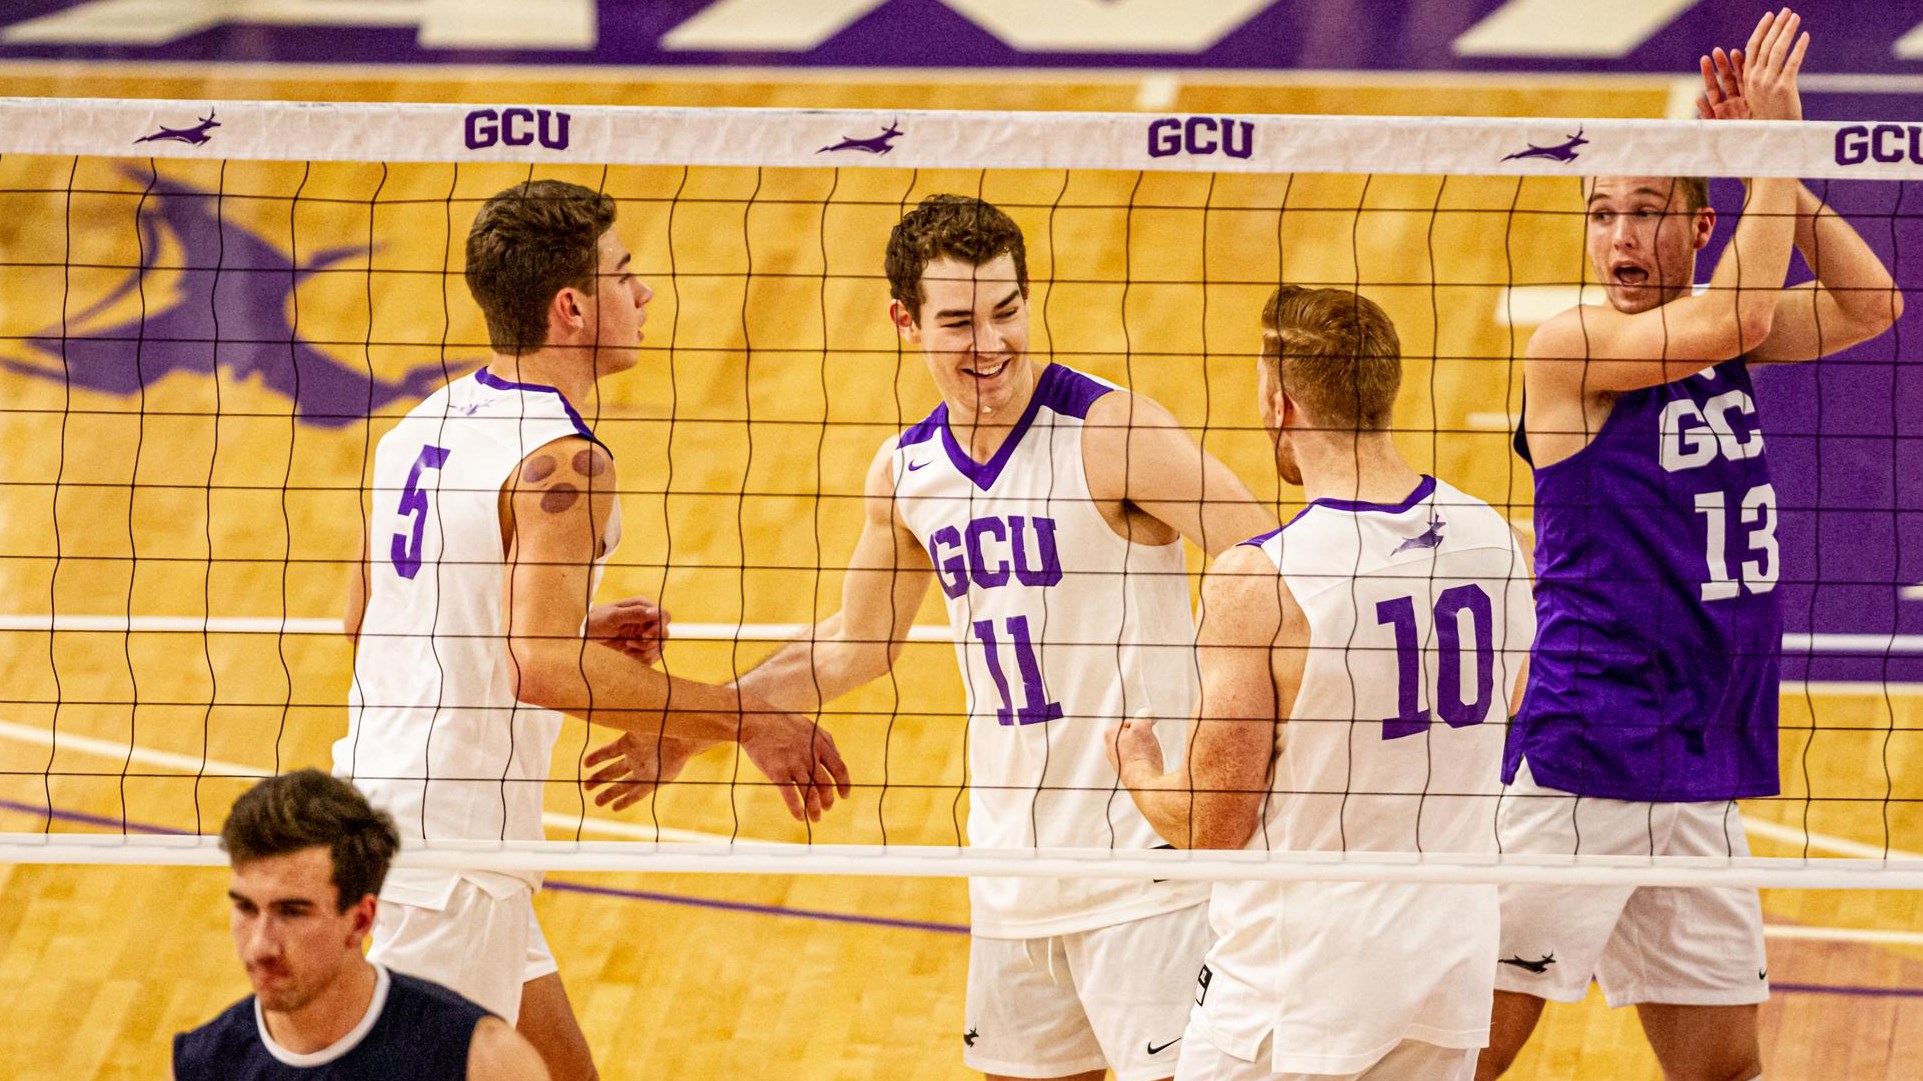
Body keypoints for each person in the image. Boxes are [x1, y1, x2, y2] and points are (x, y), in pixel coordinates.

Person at [588, 193, 1275, 1081]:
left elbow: (1270, 560)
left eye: (1005, 312)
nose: (988, 344)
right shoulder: (907, 472)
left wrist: (1229, 743)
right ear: (904, 322)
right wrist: (695, 724)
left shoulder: (1113, 433)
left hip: (1146, 876)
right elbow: (851, 646)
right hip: (1011, 876)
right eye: (957, 321)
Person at [334, 179, 850, 1081]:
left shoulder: (421, 422)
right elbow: (541, 669)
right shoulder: (564, 459)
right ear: (570, 307)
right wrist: (741, 718)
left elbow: (368, 619)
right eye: (624, 275)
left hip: (394, 815)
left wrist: (567, 620)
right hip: (449, 856)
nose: (644, 294)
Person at [1477, 11, 1902, 1080]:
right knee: (1468, 1054)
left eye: (1649, 213)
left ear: (1701, 224)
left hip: (1701, 758)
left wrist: (1780, 169)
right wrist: (1774, 145)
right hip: (1587, 757)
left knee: (1724, 1069)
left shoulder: (1721, 335)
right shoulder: (1571, 347)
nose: (1621, 238)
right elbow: (1745, 314)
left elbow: (1871, 303)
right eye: (1601, 213)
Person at [1109, 286, 1535, 1081]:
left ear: (1280, 403)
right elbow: (1505, 706)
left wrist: (1135, 767)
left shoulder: (1261, 579)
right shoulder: (1498, 539)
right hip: (1447, 962)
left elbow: (1213, 818)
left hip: (1302, 980)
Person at [173, 769, 550, 1080]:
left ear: (361, 920)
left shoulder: (480, 1060)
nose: (260, 946)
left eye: (293, 912)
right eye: (246, 909)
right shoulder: (204, 1065)